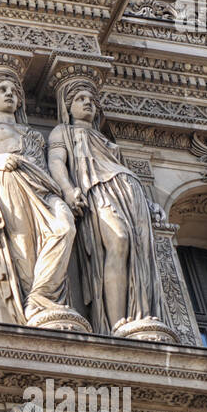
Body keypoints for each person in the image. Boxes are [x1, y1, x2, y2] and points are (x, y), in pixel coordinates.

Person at [0, 66, 81, 329]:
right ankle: (36, 303)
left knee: (64, 228)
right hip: (10, 183)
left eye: (14, 91)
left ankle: (43, 293)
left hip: (44, 189)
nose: (10, 94)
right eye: (2, 90)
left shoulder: (35, 134)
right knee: (24, 249)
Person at [48, 78, 167, 336]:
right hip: (96, 190)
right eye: (80, 99)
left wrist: (149, 203)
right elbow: (57, 161)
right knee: (118, 240)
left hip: (129, 191)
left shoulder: (106, 140)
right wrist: (68, 190)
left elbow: (123, 168)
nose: (88, 103)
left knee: (136, 255)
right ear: (68, 106)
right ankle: (116, 323)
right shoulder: (62, 132)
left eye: (92, 100)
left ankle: (133, 317)